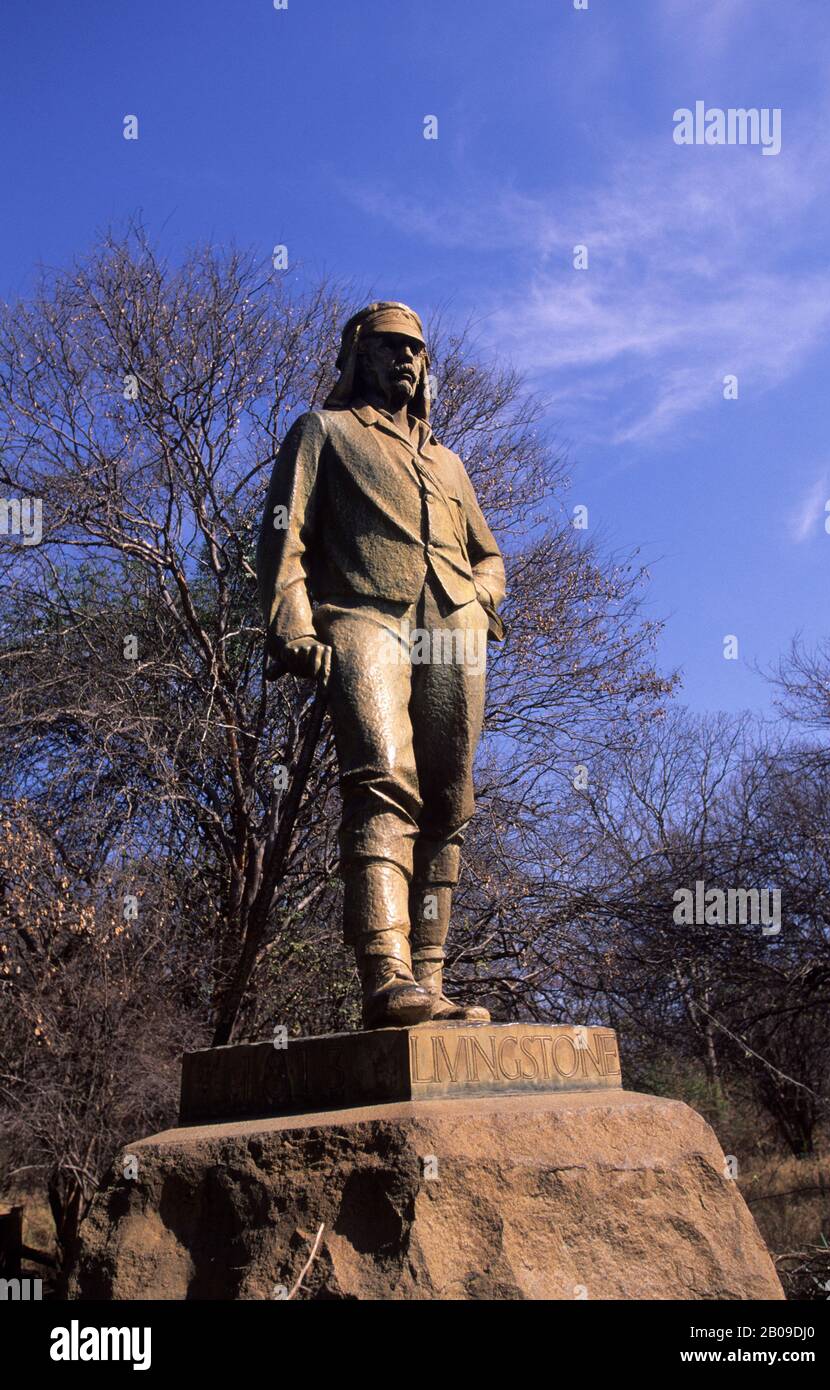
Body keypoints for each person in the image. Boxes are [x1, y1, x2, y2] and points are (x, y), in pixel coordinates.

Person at [257, 302, 506, 1028]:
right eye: (391, 347)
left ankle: (430, 976)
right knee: (382, 776)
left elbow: (488, 552)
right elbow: (285, 532)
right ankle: (386, 971)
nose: (406, 359)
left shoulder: (447, 461)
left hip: (450, 626)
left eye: (416, 350)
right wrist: (291, 622)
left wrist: (481, 599)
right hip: (363, 616)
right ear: (358, 356)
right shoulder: (324, 431)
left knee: (450, 798)